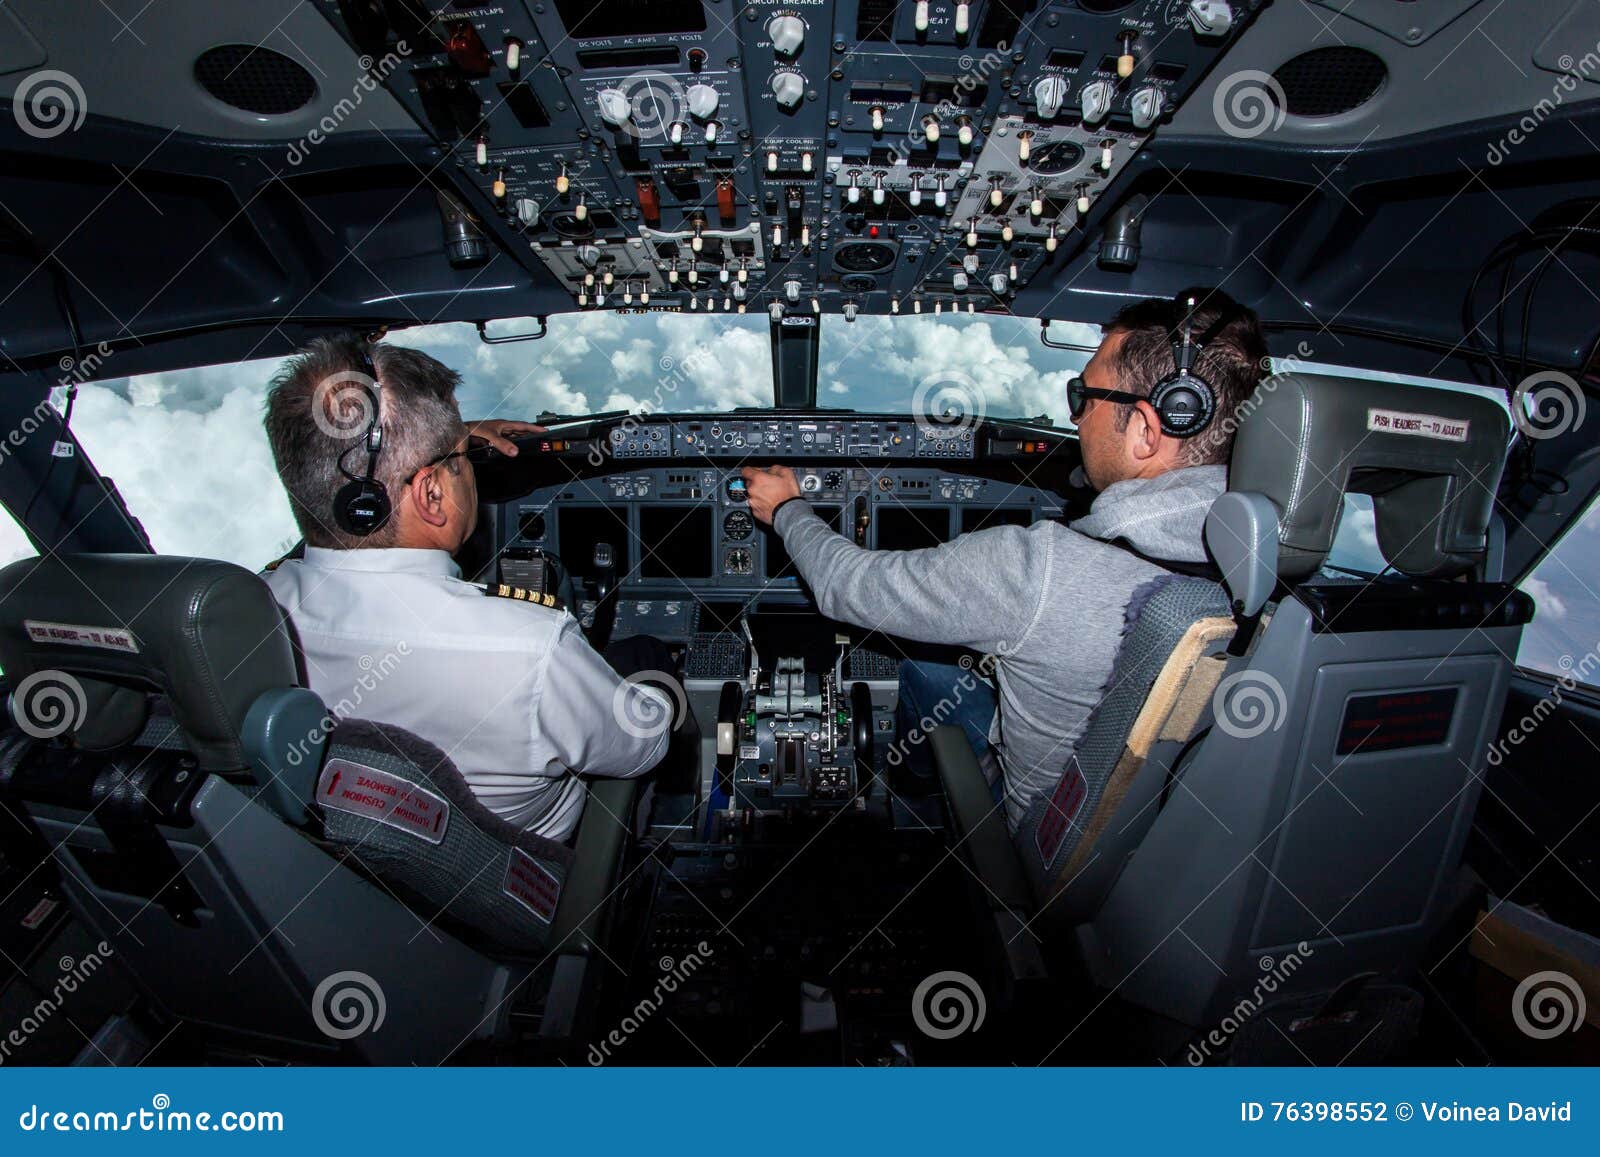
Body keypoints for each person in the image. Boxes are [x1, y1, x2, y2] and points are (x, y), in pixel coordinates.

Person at [741, 290, 1267, 833]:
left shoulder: (1038, 569)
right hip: (1159, 836)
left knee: (922, 673)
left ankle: (916, 808)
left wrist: (787, 509)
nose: (1077, 417)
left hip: (1046, 841)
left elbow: (847, 587)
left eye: (1084, 397)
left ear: (1145, 430)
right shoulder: (1279, 575)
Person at [262, 336, 678, 842]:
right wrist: (658, 703)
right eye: (464, 459)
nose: (472, 471)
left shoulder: (249, 614)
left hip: (365, 856)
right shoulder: (531, 647)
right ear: (432, 494)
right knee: (647, 661)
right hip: (534, 865)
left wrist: (441, 441)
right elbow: (643, 747)